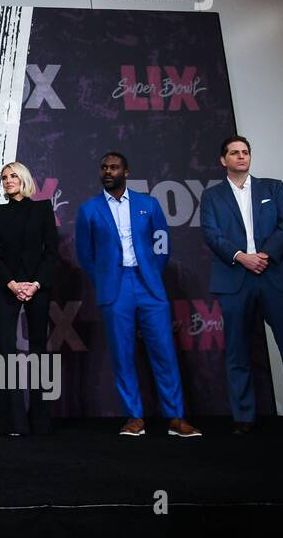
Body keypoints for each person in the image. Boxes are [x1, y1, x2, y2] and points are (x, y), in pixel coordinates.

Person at [200, 136, 283, 437]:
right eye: (234, 153)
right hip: (235, 279)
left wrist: (264, 256)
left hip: (275, 276)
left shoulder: (273, 187)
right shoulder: (212, 196)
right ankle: (244, 418)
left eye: (245, 152)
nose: (241, 157)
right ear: (223, 160)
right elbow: (211, 233)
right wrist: (242, 257)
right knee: (237, 352)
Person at [74, 151, 200, 438]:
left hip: (149, 286)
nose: (108, 171)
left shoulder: (149, 204)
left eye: (114, 167)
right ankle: (134, 417)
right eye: (104, 167)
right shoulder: (89, 209)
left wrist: (151, 274)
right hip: (115, 289)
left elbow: (162, 245)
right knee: (122, 354)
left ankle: (176, 417)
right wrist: (105, 280)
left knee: (164, 352)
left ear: (126, 172)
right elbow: (86, 254)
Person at [0, 161, 59, 436]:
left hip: (38, 288)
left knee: (39, 351)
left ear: (25, 179)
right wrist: (13, 284)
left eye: (13, 175)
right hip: (8, 288)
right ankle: (15, 421)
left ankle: (40, 420)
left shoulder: (42, 209)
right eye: (4, 177)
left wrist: (36, 284)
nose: (8, 180)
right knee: (7, 353)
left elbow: (51, 252)